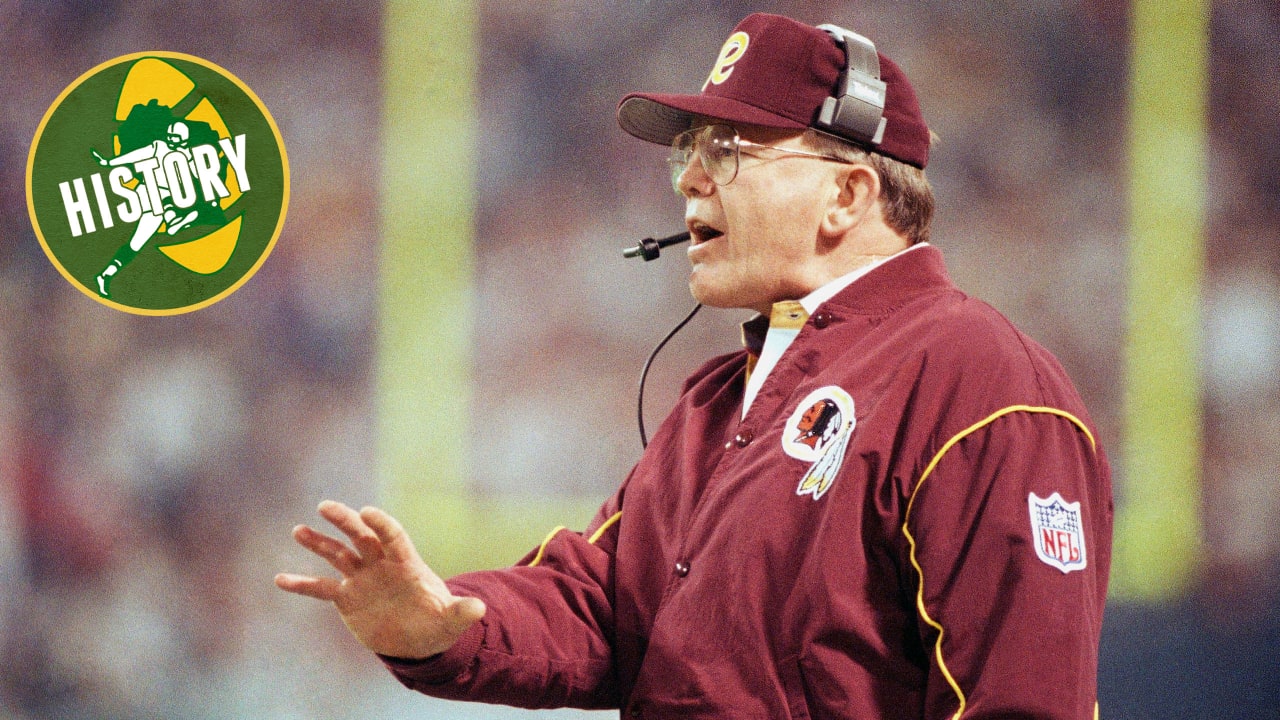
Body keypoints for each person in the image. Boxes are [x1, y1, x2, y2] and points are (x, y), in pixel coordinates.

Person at [275, 12, 1113, 719]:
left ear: (849, 194)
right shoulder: (720, 402)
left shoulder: (980, 380)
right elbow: (602, 604)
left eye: (732, 151)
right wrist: (447, 626)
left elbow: (1021, 695)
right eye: (690, 155)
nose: (691, 186)